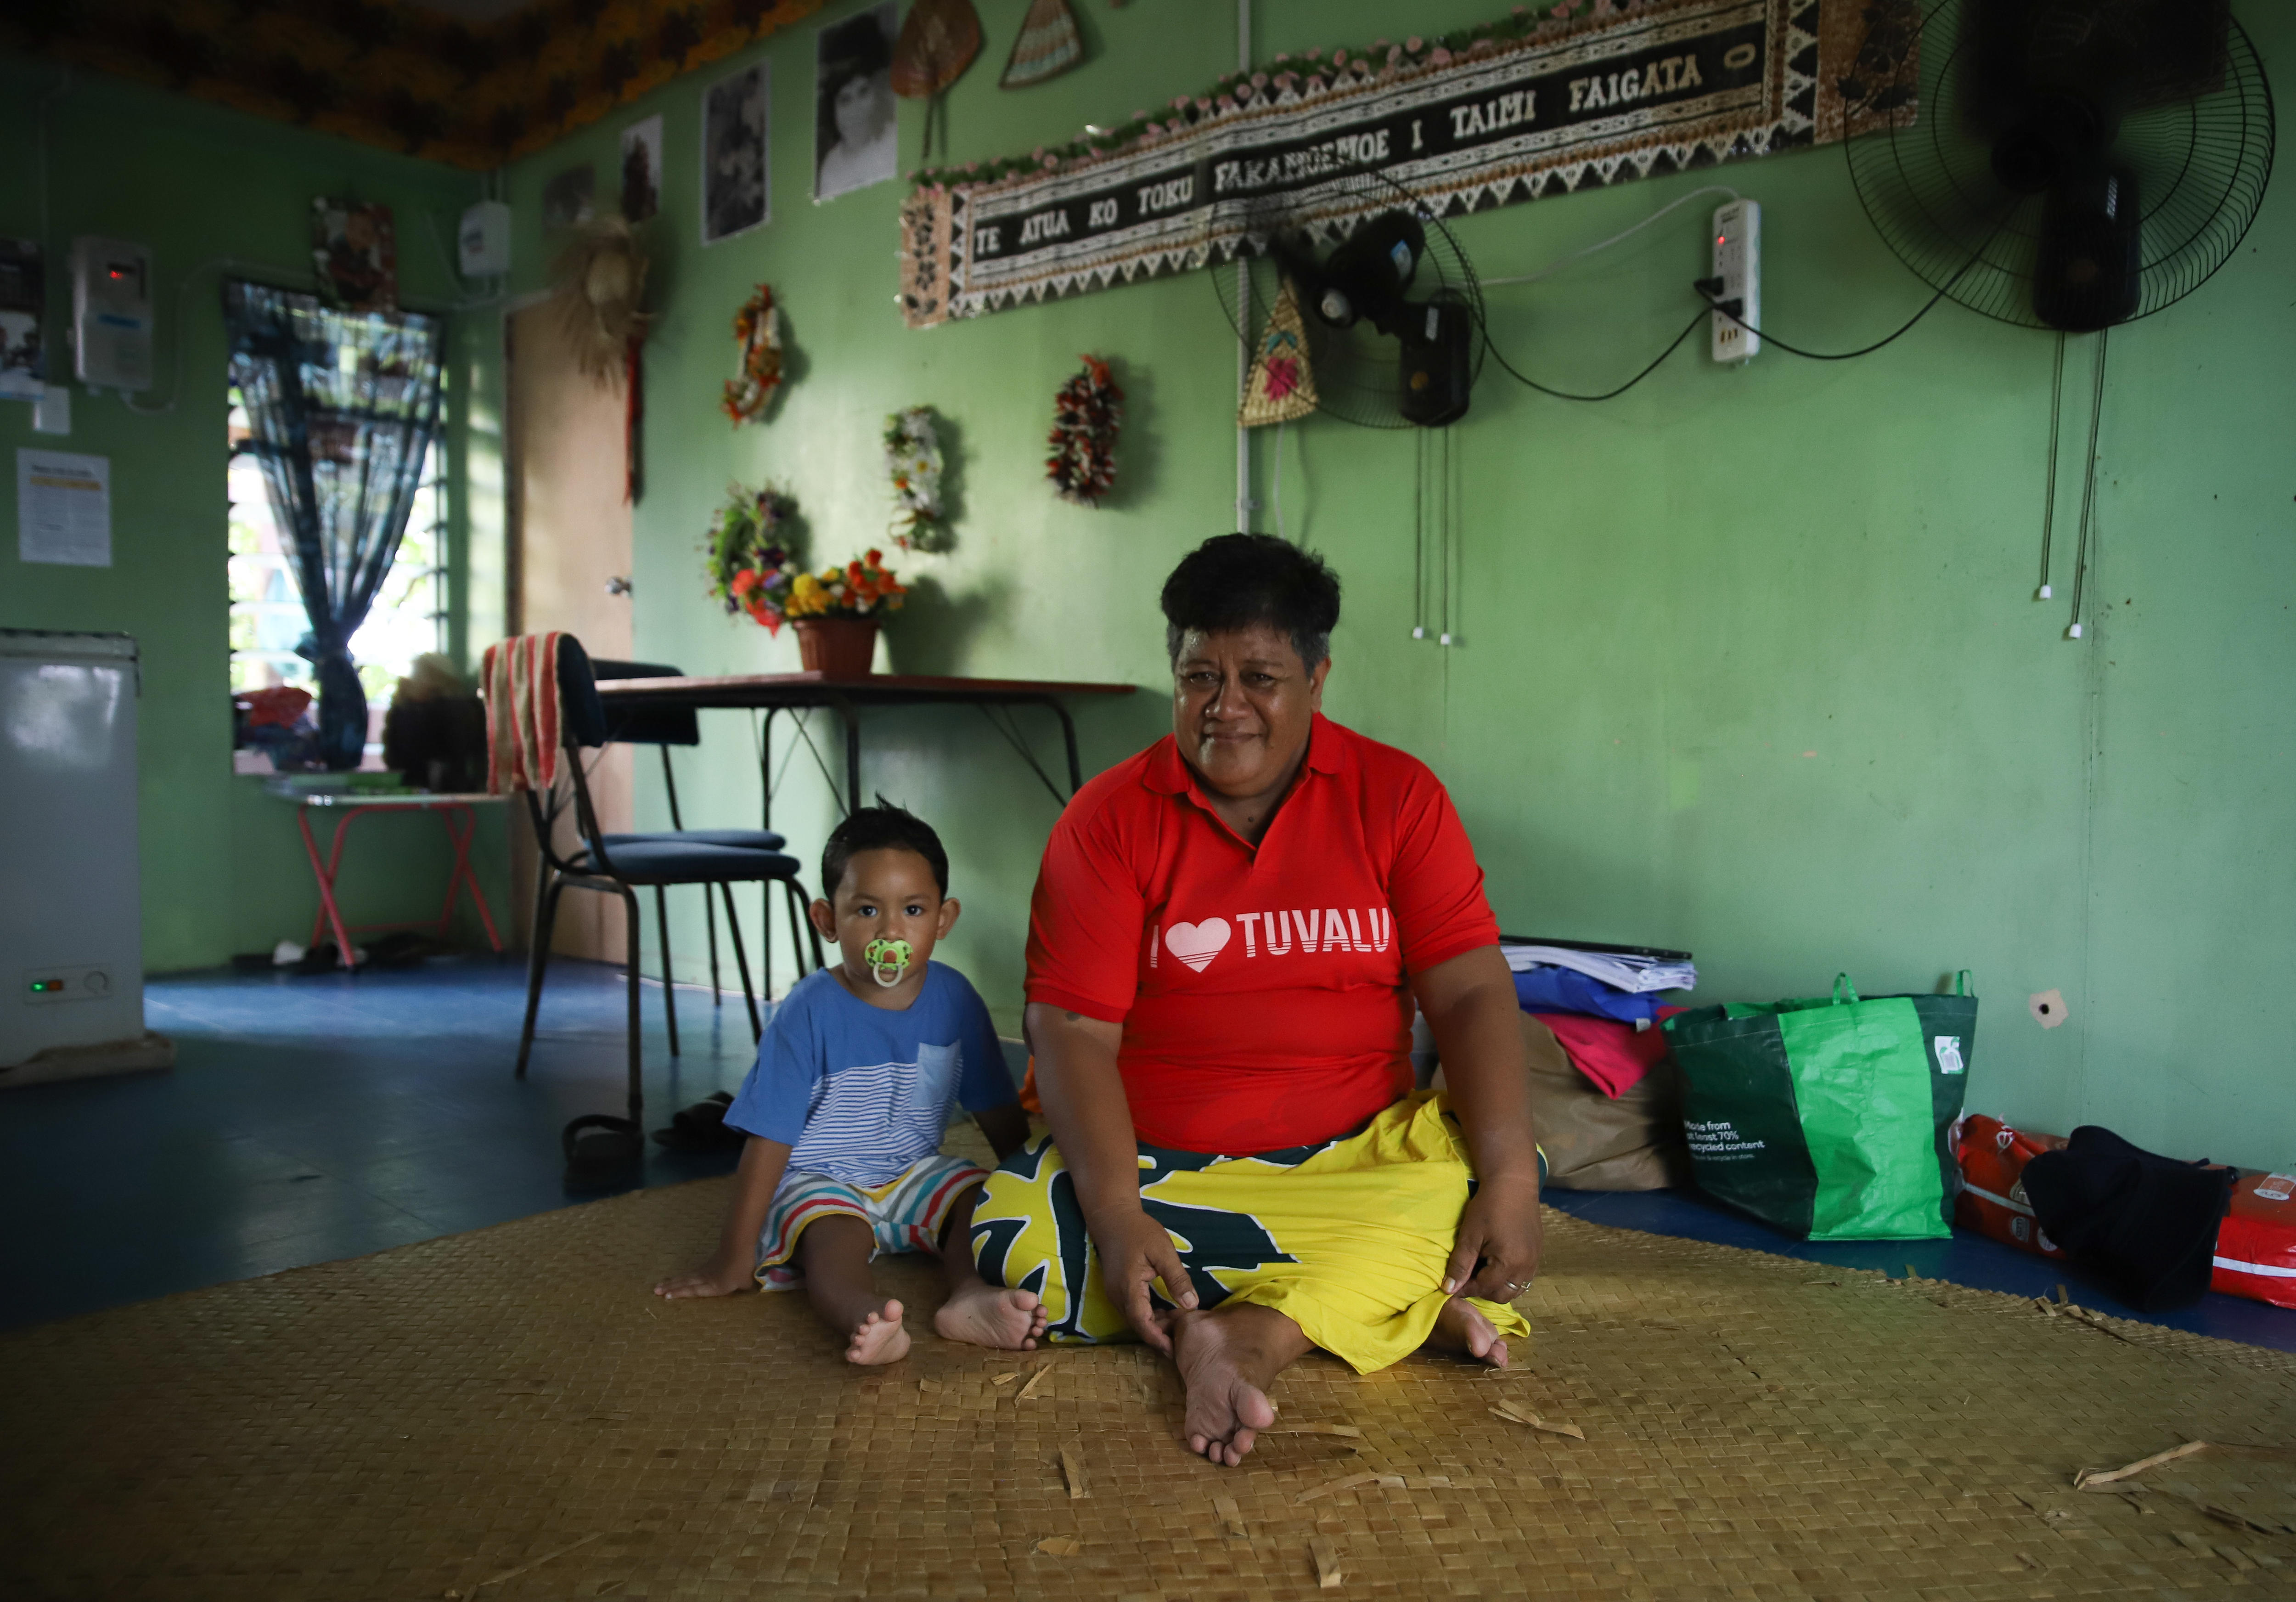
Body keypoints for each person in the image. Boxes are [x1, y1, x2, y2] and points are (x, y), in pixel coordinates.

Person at [970, 534, 1542, 1464]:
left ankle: (1243, 1333)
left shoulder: (1399, 799)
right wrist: (1115, 1211)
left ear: (1317, 679)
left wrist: (1512, 1182)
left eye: (1259, 678)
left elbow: (1473, 991)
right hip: (1164, 1172)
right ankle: (1360, 1309)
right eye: (1200, 676)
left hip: (1355, 1163)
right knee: (1011, 1226)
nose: (1224, 707)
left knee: (1477, 1185)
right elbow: (1070, 1029)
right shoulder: (1107, 820)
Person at [654, 806, 1046, 1365]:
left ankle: (968, 1296)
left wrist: (1033, 1188)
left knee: (977, 1197)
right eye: (866, 909)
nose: (890, 931)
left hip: (913, 1171)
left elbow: (995, 1106)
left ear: (943, 918)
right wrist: (732, 1257)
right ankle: (865, 1314)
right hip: (823, 1177)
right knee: (831, 1239)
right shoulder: (806, 1010)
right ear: (826, 919)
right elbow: (768, 1139)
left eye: (913, 909)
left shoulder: (956, 997)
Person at [814, 13, 896, 201]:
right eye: (845, 100)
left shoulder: (892, 141)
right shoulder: (831, 167)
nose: (856, 111)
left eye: (864, 92)